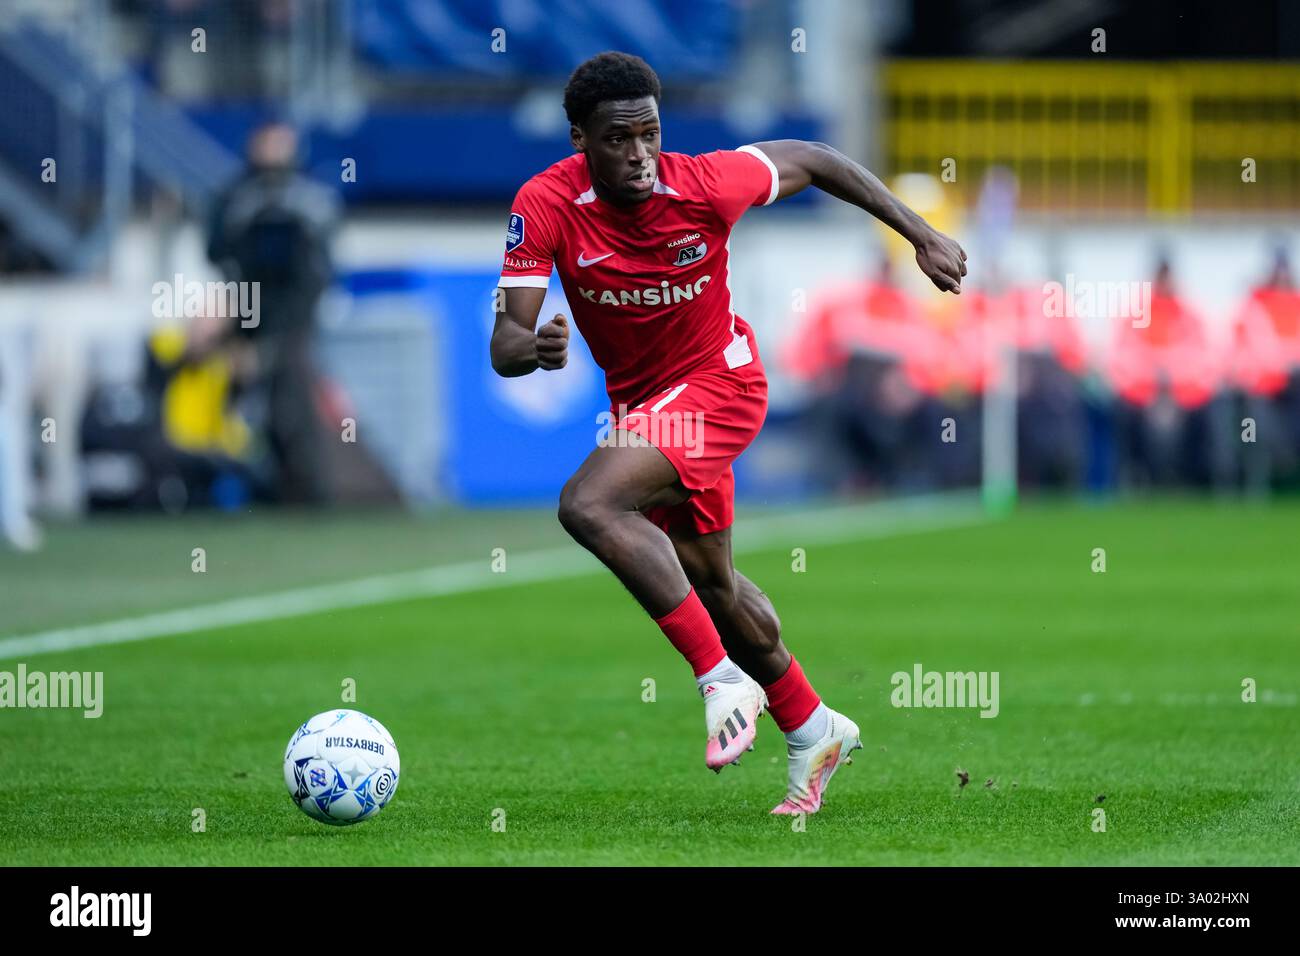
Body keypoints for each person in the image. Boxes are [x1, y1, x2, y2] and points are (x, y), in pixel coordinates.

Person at [491, 52, 966, 814]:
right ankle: (814, 726)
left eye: (649, 133)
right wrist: (534, 348)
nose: (640, 154)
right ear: (580, 137)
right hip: (643, 409)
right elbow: (504, 345)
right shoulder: (546, 203)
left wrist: (920, 234)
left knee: (588, 505)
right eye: (618, 140)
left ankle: (718, 679)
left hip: (721, 386)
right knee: (714, 588)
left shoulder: (706, 181)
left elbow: (813, 158)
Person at [206, 122, 338, 505]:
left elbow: (319, 266)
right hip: (250, 310)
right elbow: (219, 252)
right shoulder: (236, 197)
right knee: (241, 400)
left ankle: (305, 491)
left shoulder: (311, 197)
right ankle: (235, 486)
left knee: (292, 403)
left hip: (296, 315)